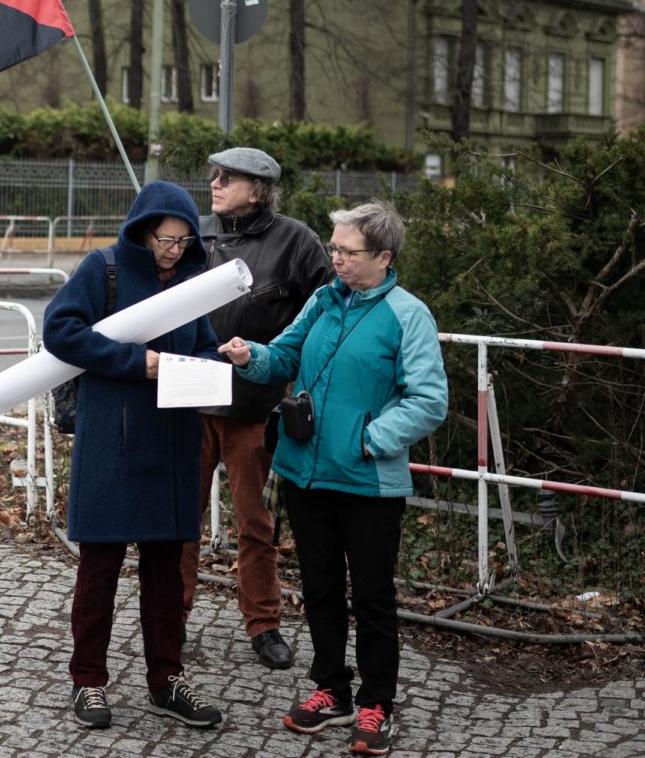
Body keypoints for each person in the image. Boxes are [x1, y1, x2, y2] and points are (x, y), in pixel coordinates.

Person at [217, 201, 447, 757]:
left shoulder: (408, 315)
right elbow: (284, 358)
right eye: (334, 248)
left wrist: (368, 440)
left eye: (348, 251)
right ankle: (330, 690)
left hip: (368, 482)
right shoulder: (322, 299)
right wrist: (252, 356)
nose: (336, 259)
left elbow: (429, 400)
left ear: (384, 257)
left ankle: (376, 704)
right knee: (319, 590)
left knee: (372, 597)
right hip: (304, 472)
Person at [43, 180, 224, 732]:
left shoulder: (192, 280)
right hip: (111, 445)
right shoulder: (104, 269)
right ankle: (88, 682)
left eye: (184, 240)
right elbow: (60, 331)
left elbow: (204, 344)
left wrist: (221, 357)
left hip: (171, 444)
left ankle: (166, 680)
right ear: (144, 230)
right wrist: (134, 362)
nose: (174, 249)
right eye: (167, 239)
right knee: (99, 570)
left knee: (166, 574)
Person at [182, 147, 333, 670]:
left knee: (256, 523)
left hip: (255, 407)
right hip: (189, 400)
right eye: (214, 174)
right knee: (180, 516)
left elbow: (327, 312)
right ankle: (169, 615)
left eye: (228, 177)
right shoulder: (193, 232)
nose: (215, 183)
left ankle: (264, 624)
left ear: (259, 188)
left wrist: (301, 378)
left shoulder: (296, 241)